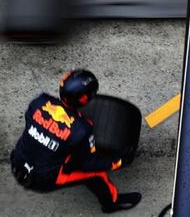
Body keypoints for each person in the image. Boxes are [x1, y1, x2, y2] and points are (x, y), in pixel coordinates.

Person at [9, 70, 141, 213]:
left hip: (18, 161)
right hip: (41, 180)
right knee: (96, 175)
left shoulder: (39, 102)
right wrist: (117, 163)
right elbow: (90, 164)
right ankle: (111, 204)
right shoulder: (81, 129)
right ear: (84, 99)